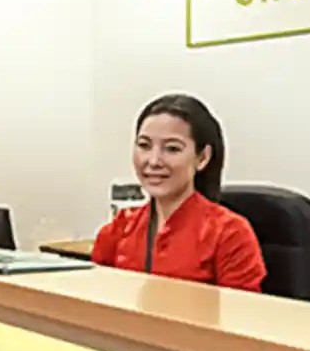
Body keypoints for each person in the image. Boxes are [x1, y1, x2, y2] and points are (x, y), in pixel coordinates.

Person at [90, 93, 266, 292]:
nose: (154, 161)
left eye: (172, 149)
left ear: (202, 158)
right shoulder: (118, 229)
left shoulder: (230, 234)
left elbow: (241, 314)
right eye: (144, 146)